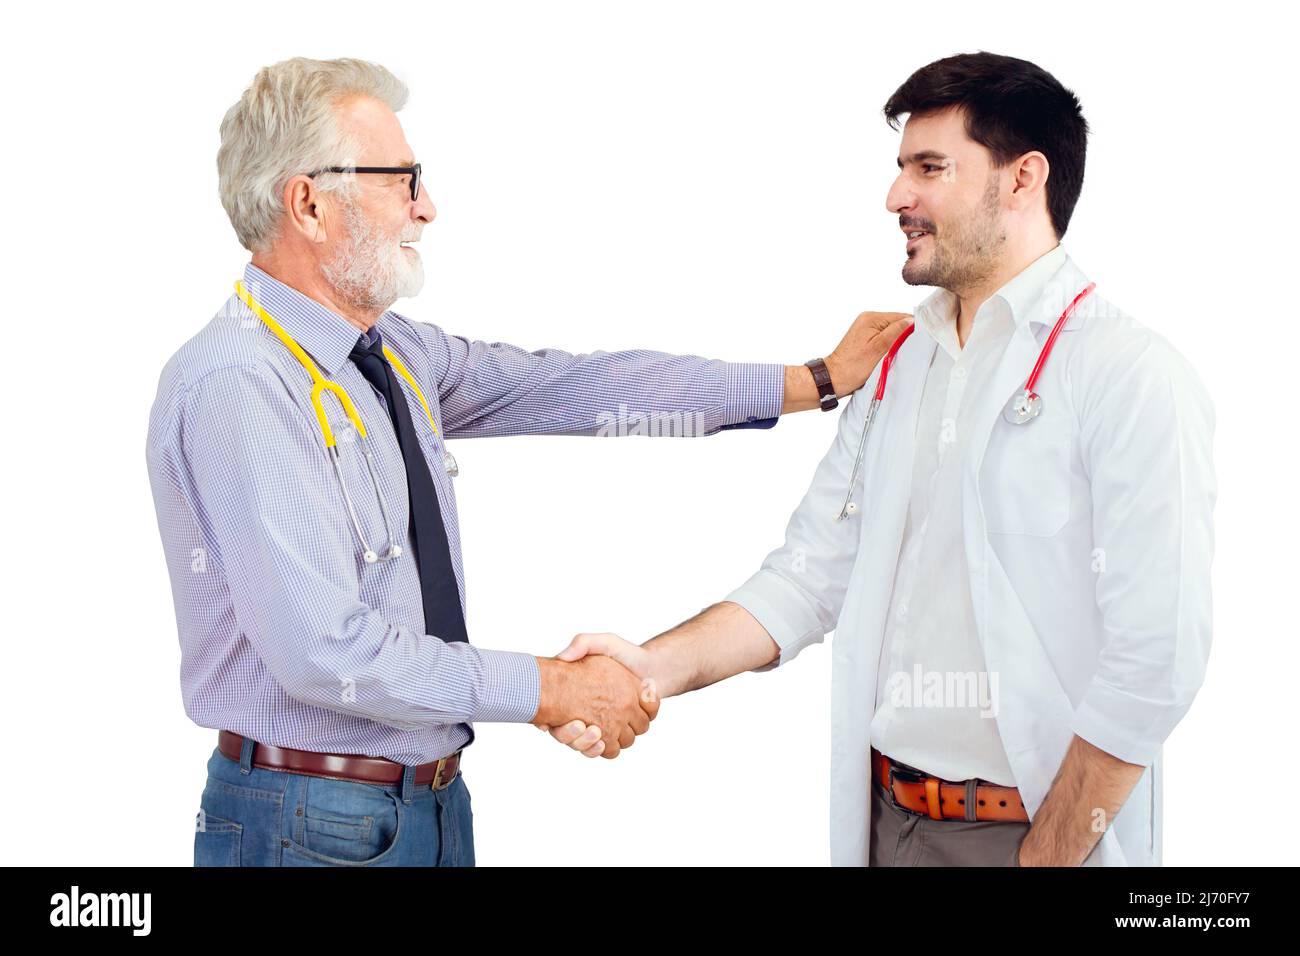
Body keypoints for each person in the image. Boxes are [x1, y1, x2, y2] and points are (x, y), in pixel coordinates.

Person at [145, 56, 910, 867]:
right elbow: (323, 652)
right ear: (308, 203)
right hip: (306, 819)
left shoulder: (394, 354)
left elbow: (575, 387)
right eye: (402, 179)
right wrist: (552, 687)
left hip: (428, 804)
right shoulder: (242, 381)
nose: (427, 207)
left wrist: (812, 381)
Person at [547, 51, 1216, 867]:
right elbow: (807, 576)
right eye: (902, 168)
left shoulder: (1129, 374)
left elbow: (1159, 653)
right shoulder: (901, 363)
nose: (897, 196)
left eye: (930, 168)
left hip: (1031, 834)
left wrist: (1050, 854)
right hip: (886, 821)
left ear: (1023, 178)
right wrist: (654, 665)